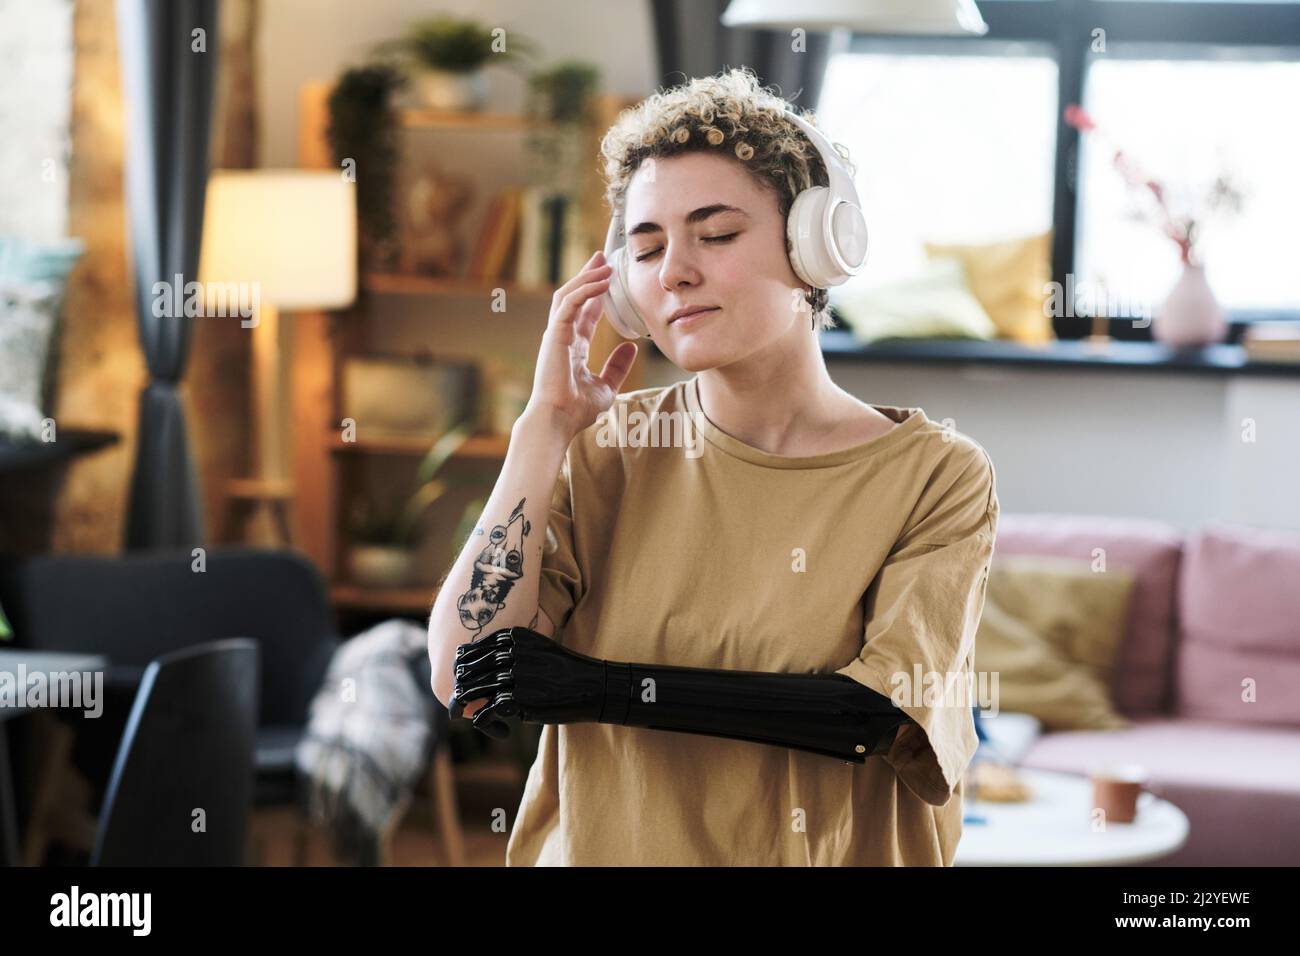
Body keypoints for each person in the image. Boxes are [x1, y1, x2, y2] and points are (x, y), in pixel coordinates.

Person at [427, 66, 998, 866]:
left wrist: (600, 689)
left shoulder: (937, 476)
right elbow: (467, 674)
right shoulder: (601, 449)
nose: (675, 271)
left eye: (717, 234)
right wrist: (541, 429)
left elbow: (875, 717)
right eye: (647, 247)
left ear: (817, 246)